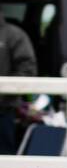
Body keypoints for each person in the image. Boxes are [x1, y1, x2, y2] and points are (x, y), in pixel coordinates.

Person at [0, 15, 37, 159]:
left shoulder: (13, 35)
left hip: (3, 110)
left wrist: (5, 92)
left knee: (4, 156)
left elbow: (27, 70)